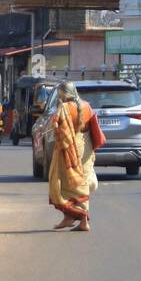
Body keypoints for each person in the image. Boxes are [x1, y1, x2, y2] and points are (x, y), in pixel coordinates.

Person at [48, 81, 101, 233]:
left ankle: (79, 219)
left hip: (70, 147)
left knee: (66, 183)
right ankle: (71, 218)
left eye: (60, 93)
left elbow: (56, 127)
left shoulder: (64, 108)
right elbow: (94, 127)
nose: (59, 95)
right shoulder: (87, 106)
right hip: (86, 147)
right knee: (81, 182)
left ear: (64, 93)